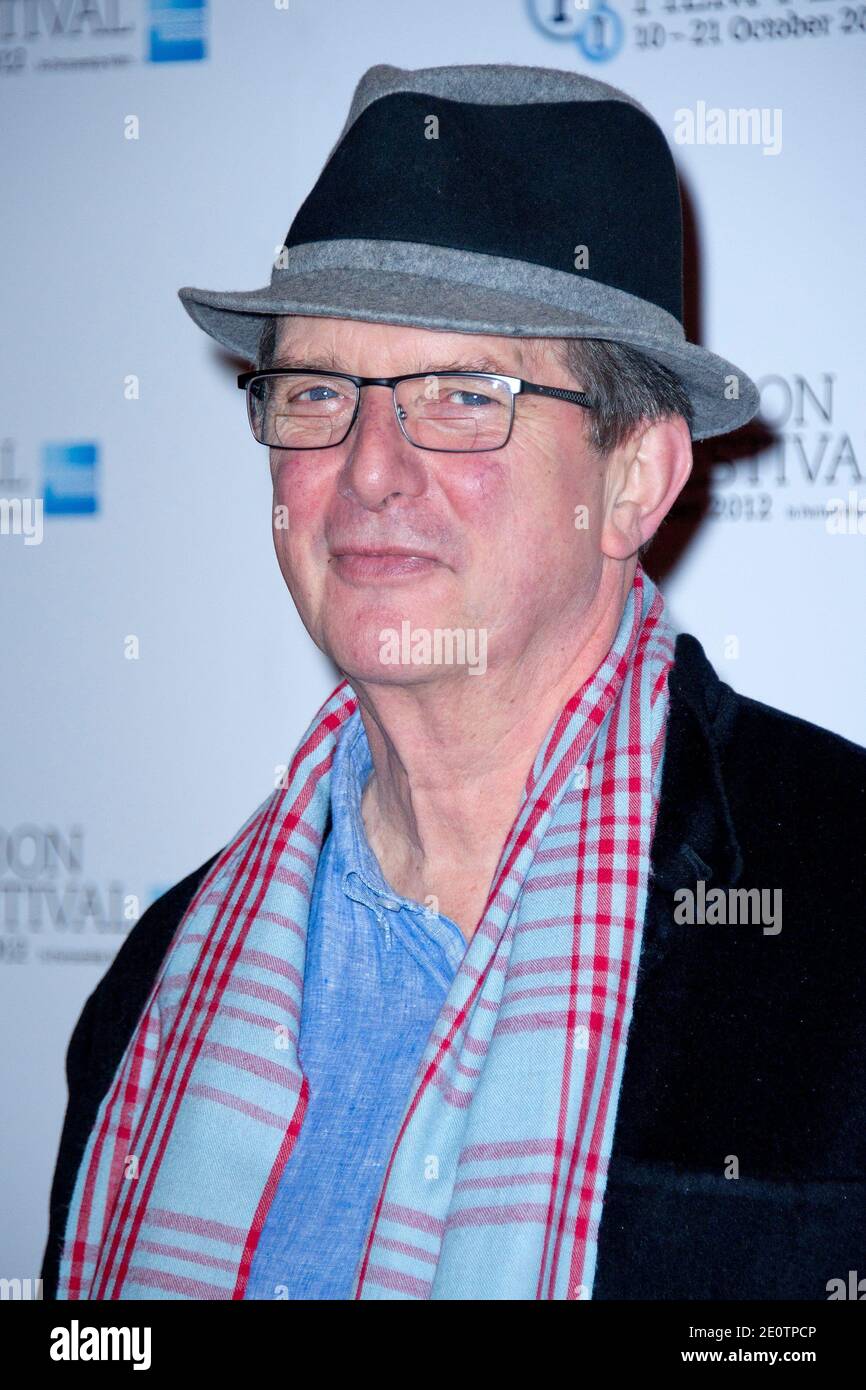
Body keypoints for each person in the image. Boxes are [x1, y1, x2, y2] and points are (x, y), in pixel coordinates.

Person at [42, 63, 864, 1302]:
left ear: (632, 478)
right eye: (317, 390)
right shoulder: (155, 986)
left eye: (461, 396)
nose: (368, 469)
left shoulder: (841, 914)